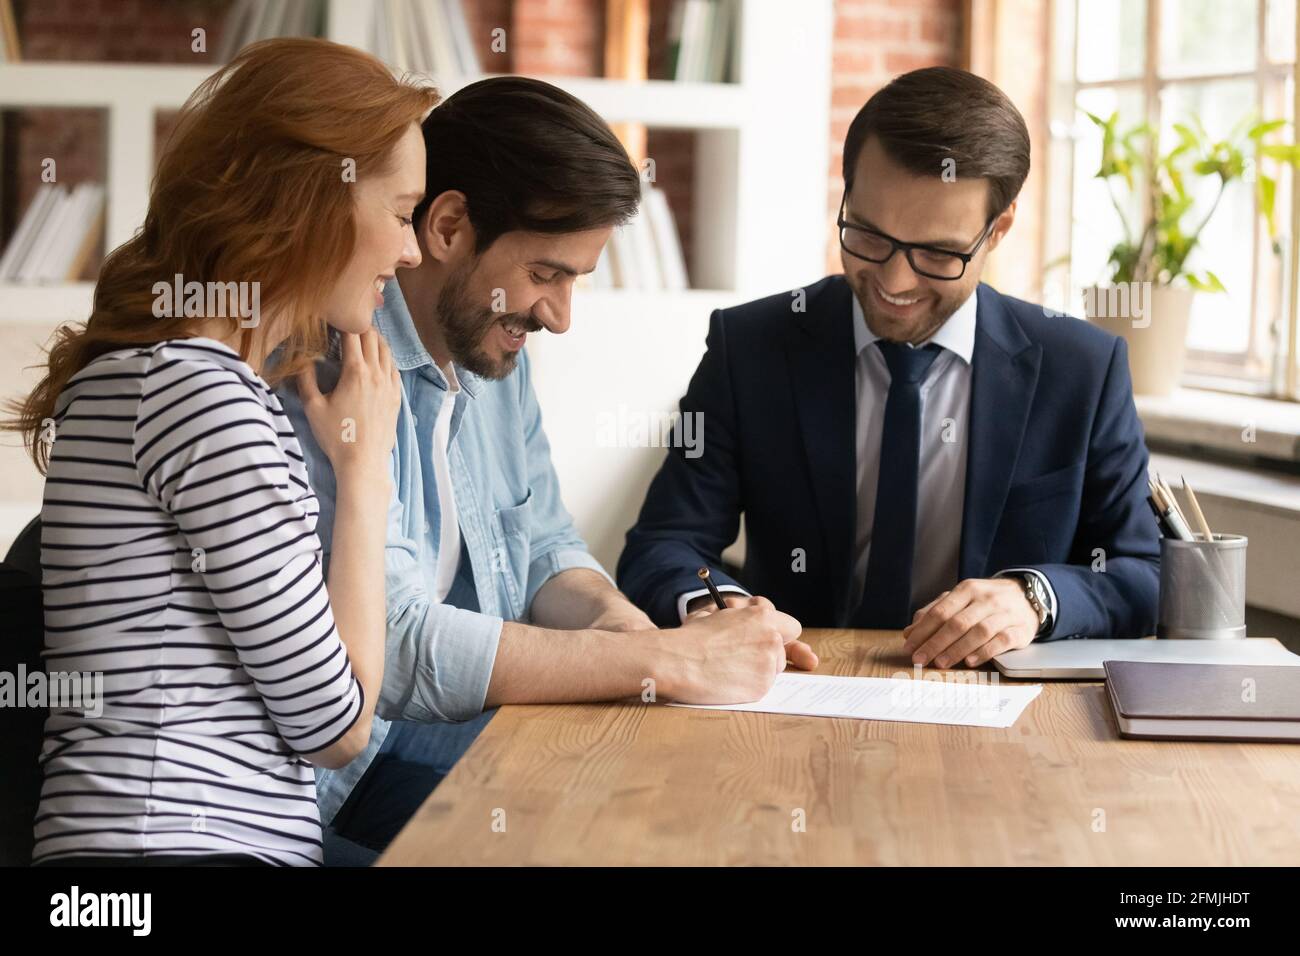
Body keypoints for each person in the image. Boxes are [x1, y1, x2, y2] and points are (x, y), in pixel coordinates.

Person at [278, 77, 807, 861]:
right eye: (547, 274)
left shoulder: (493, 353)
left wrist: (624, 625)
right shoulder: (330, 367)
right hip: (332, 789)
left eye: (574, 280)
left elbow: (543, 546)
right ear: (450, 225)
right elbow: (391, 652)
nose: (560, 316)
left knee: (697, 806)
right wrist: (659, 659)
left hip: (435, 742)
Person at [2, 37, 434, 865]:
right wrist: (365, 474)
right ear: (311, 201)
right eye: (400, 212)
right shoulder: (200, 399)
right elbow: (335, 727)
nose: (410, 250)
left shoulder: (158, 374)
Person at [618, 66, 1160, 669]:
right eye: (869, 236)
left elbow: (1145, 572)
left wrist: (1034, 597)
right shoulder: (750, 347)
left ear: (997, 230)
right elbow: (664, 544)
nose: (894, 282)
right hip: (795, 692)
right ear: (846, 193)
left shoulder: (1082, 368)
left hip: (1005, 715)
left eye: (937, 252)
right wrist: (717, 613)